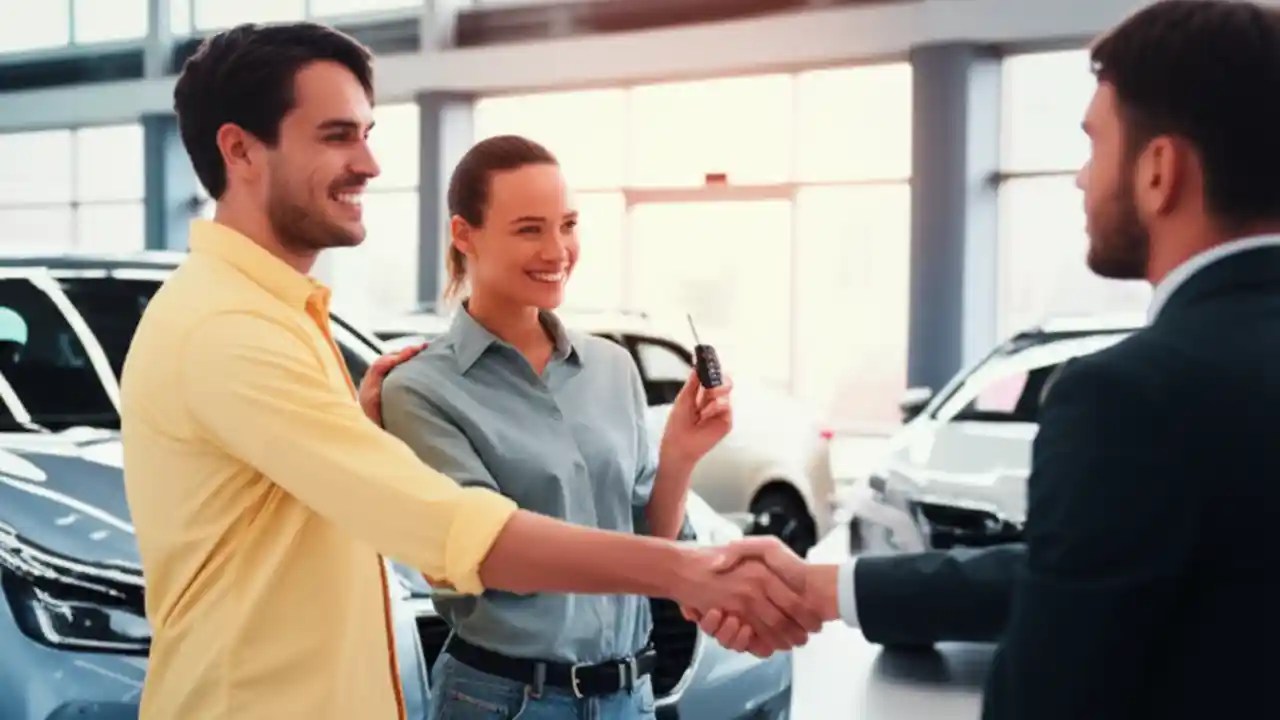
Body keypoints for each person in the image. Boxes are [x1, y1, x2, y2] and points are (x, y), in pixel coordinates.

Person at [119, 22, 820, 720]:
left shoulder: (276, 316)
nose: (369, 163)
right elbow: (448, 529)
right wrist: (691, 572)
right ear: (240, 149)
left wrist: (351, 431)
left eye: (368, 133)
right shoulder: (231, 329)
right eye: (337, 135)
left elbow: (298, 519)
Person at [702, 2, 1280, 717]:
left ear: (1160, 170)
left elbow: (1053, 686)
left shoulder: (1132, 395)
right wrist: (829, 588)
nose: (1079, 178)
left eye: (1095, 145)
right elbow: (1092, 571)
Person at [377, 134, 731, 720]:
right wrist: (686, 572)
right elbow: (493, 555)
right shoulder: (420, 390)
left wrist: (680, 455)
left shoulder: (612, 369)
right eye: (529, 229)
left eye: (567, 224)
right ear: (464, 234)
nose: (557, 249)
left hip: (629, 695)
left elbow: (653, 543)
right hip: (504, 701)